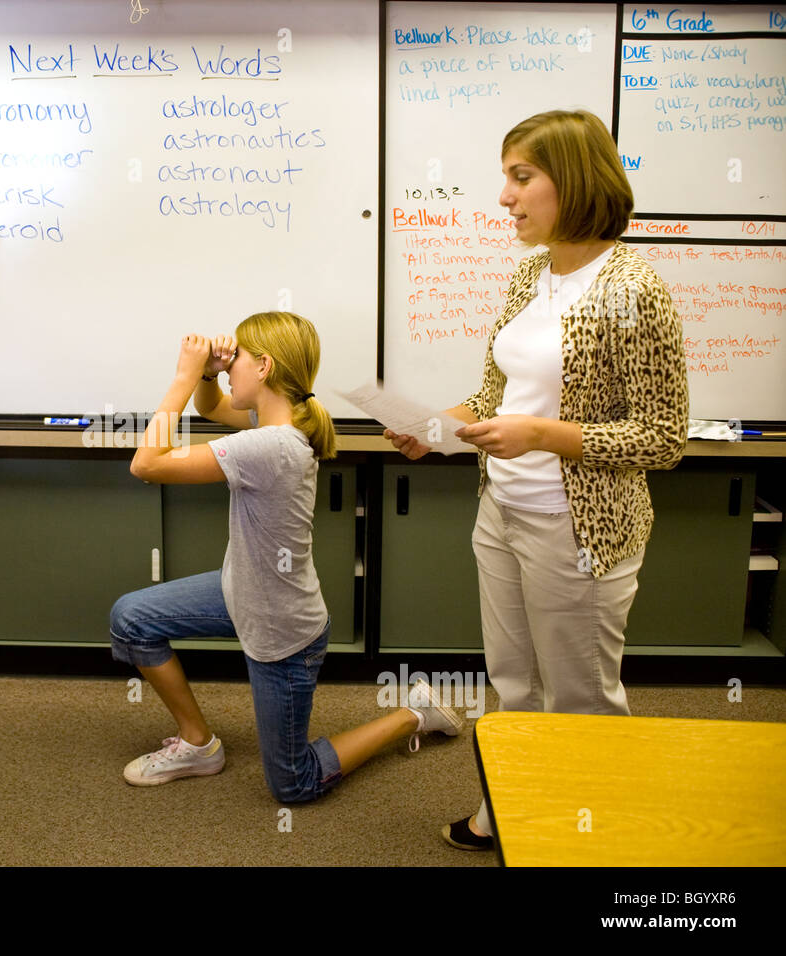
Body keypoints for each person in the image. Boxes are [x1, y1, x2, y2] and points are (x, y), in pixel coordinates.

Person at [385, 110, 689, 849]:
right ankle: (514, 806)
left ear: (574, 182)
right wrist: (435, 429)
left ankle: (588, 835)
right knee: (515, 683)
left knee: (580, 696)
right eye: (507, 177)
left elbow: (663, 436)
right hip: (503, 512)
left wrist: (546, 437)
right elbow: (495, 396)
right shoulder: (530, 272)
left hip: (577, 528)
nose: (505, 196)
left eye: (521, 177)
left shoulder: (633, 289)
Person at [111, 311, 463, 803]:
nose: (229, 367)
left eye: (238, 360)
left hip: (282, 630)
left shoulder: (271, 445)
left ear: (265, 368)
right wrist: (209, 374)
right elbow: (212, 407)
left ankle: (416, 714)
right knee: (132, 618)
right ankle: (198, 744)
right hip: (240, 590)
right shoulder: (276, 421)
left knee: (293, 785)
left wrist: (184, 375)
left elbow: (146, 464)